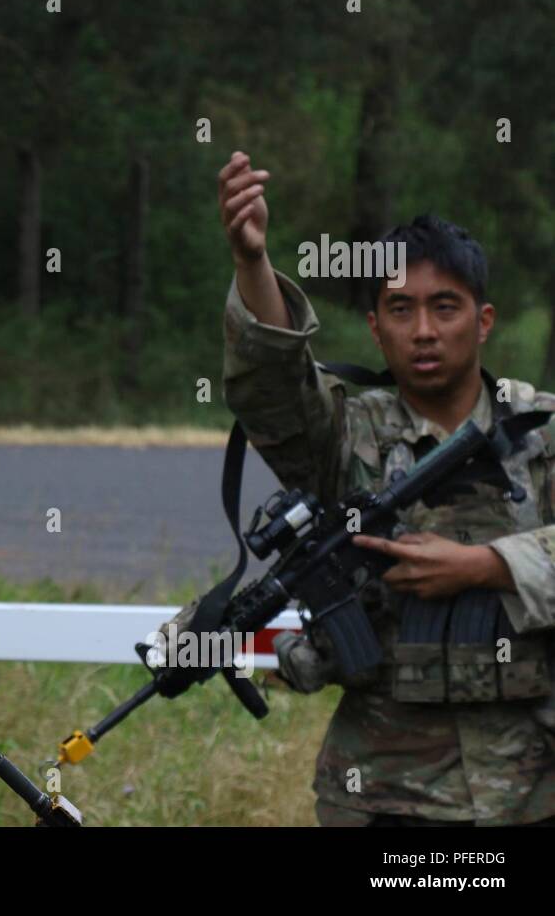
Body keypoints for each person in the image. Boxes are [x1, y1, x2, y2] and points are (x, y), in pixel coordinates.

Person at [212, 150, 555, 825]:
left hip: (536, 787)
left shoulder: (541, 429)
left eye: (445, 308)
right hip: (386, 795)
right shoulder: (345, 437)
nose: (424, 331)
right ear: (376, 326)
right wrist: (252, 261)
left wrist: (485, 567)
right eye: (401, 310)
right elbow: (271, 391)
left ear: (483, 321)